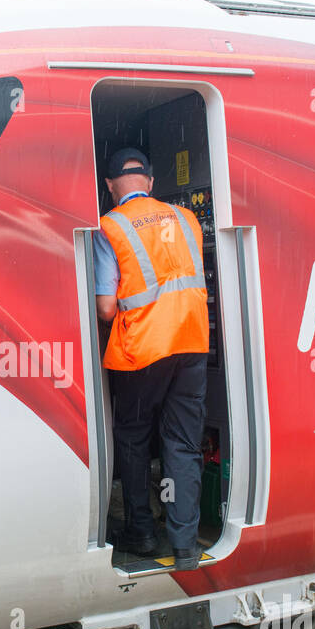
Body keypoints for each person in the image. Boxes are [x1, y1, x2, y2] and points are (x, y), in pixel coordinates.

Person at [93, 147, 209, 572]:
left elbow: (106, 308)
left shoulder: (110, 227)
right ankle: (185, 546)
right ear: (152, 181)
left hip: (142, 350)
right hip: (192, 343)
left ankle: (141, 529)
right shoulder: (187, 219)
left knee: (134, 438)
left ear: (109, 186)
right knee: (182, 444)